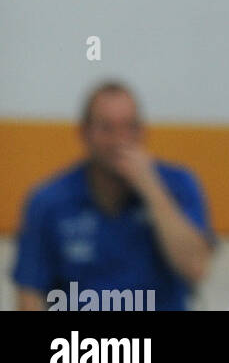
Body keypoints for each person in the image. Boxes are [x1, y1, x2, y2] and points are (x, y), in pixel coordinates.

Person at [12, 81, 214, 311]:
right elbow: (29, 292)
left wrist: (151, 188)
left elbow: (196, 267)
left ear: (143, 131)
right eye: (107, 128)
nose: (120, 139)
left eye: (130, 127)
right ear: (85, 133)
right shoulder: (49, 200)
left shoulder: (177, 184)